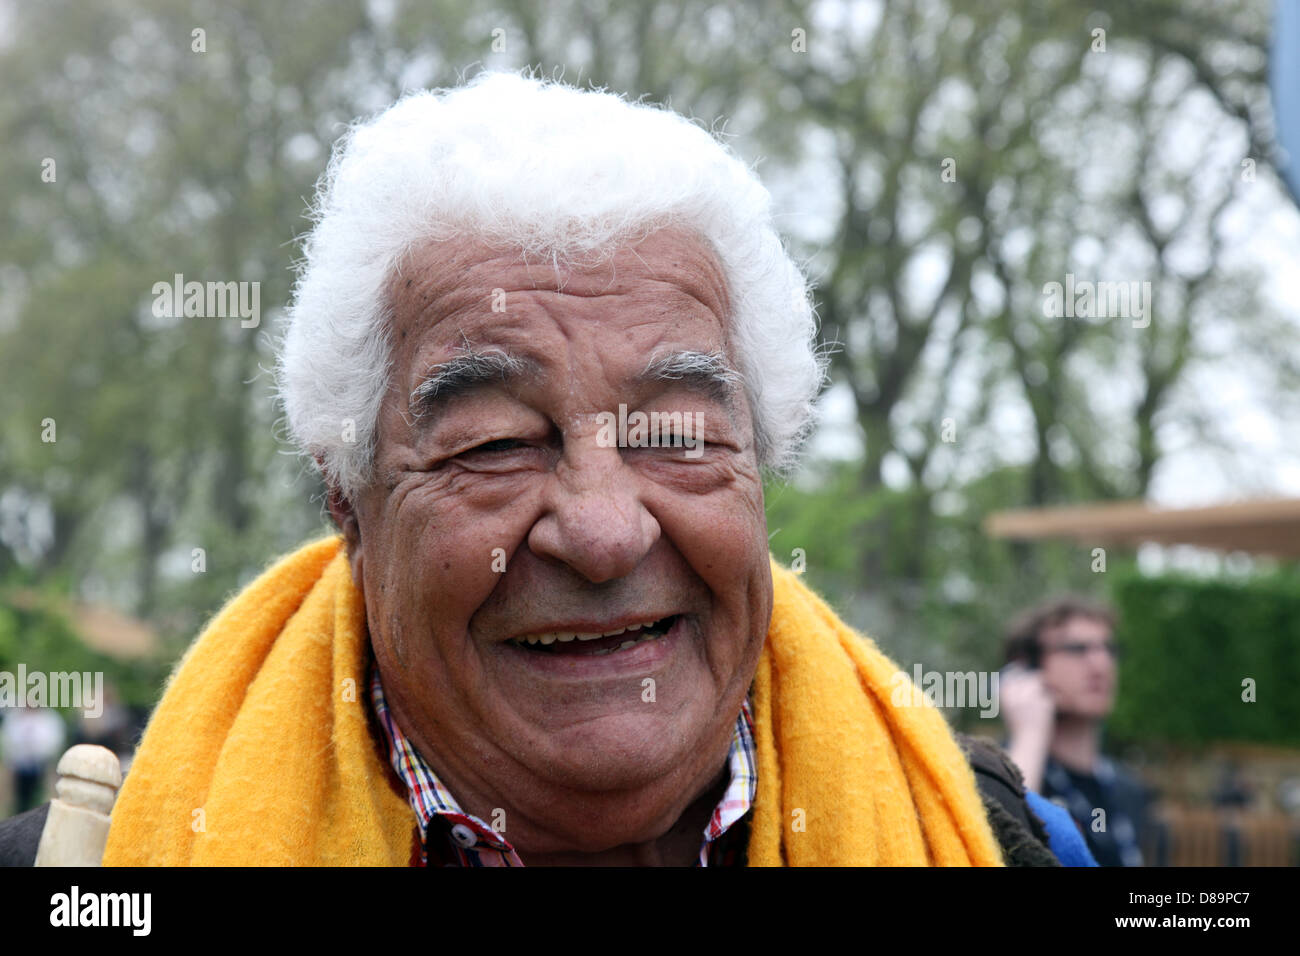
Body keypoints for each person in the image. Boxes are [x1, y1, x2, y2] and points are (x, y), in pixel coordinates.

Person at [1, 71, 1057, 867]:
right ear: (347, 499)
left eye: (676, 436)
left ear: (761, 462)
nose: (603, 532)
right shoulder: (99, 861)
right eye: (495, 444)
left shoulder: (984, 835)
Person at [1000, 595, 1151, 866]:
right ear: (1028, 666)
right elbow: (998, 850)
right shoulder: (998, 773)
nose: (1101, 664)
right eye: (1077, 649)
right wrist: (1030, 735)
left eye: (1108, 649)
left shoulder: (1128, 789)